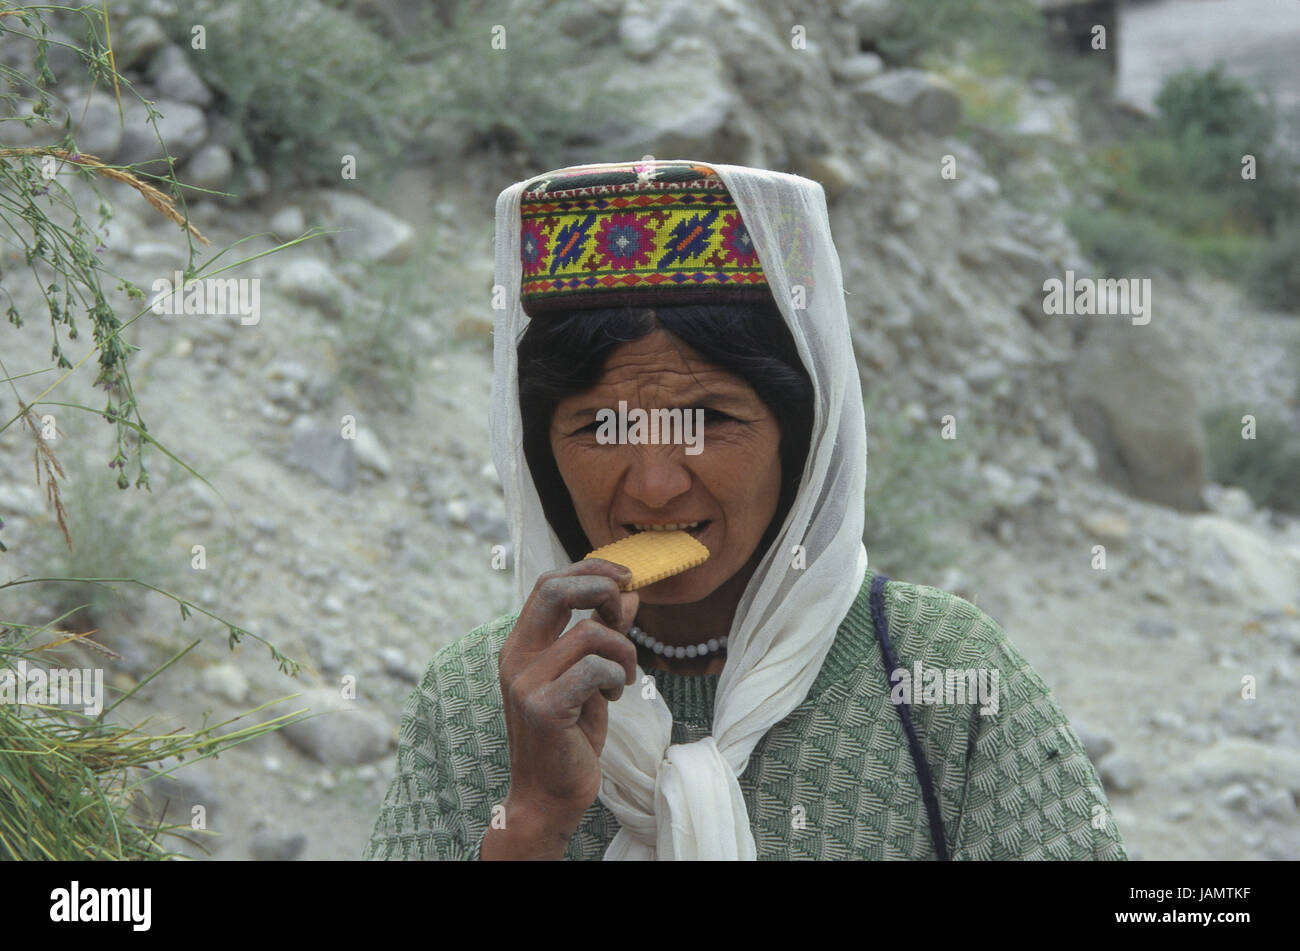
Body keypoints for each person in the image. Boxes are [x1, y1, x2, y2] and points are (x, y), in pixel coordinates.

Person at [363, 159, 1128, 860]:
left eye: (711, 420)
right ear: (540, 451)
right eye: (602, 426)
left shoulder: (938, 674)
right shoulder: (480, 697)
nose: (656, 485)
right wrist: (533, 814)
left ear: (800, 437)